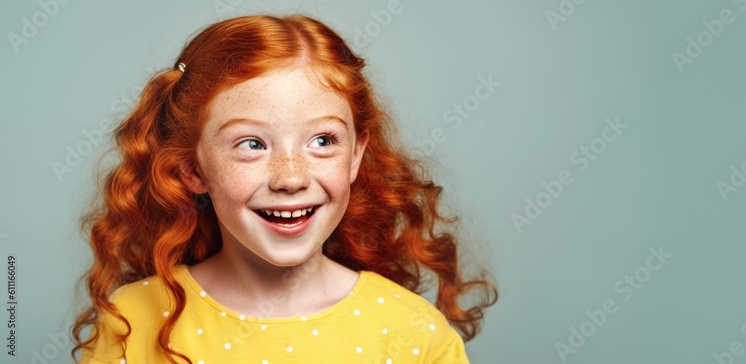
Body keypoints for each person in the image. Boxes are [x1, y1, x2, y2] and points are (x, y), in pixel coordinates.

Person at [69, 14, 497, 364]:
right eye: (251, 145)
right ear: (191, 167)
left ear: (355, 155)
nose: (291, 178)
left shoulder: (415, 335)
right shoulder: (129, 324)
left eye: (323, 141)